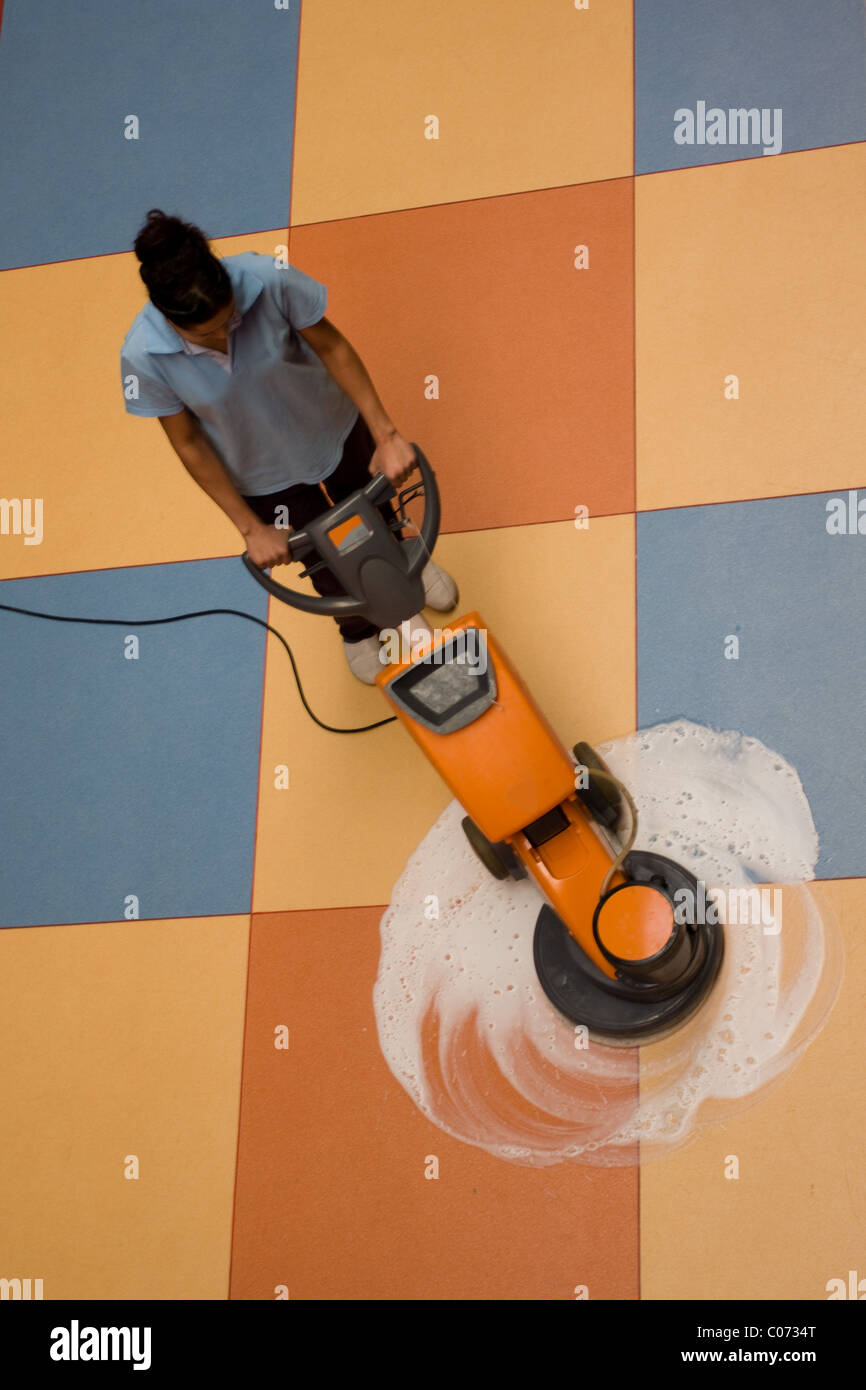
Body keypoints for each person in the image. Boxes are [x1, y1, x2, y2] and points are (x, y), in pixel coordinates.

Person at [120, 209, 458, 682]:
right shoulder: (142, 356)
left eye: (228, 322)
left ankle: (407, 561)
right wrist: (249, 528)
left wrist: (386, 434)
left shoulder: (266, 278)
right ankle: (357, 627)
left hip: (333, 428)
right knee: (319, 556)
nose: (222, 338)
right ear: (168, 318)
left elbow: (334, 348)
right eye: (205, 335)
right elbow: (189, 443)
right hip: (260, 471)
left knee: (374, 511)